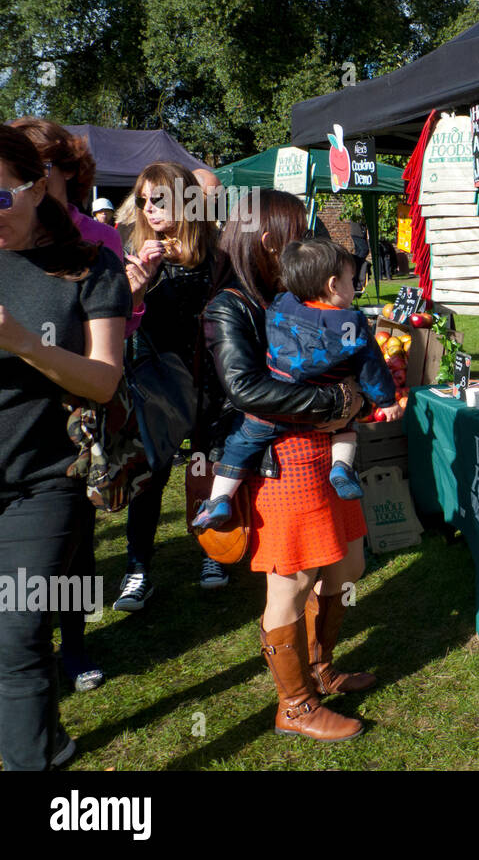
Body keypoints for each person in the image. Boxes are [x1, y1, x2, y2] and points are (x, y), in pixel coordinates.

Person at [204, 189, 374, 741]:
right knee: (292, 582)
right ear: (269, 238)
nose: (310, 241)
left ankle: (321, 667)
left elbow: (352, 360)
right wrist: (339, 403)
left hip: (325, 453)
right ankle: (294, 705)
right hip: (280, 461)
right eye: (299, 230)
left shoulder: (294, 295)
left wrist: (357, 392)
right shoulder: (230, 305)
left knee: (346, 567)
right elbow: (246, 390)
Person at [0, 126, 130, 768]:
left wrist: (24, 343)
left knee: (17, 633)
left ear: (34, 187)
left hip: (45, 478)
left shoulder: (91, 265)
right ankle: (45, 740)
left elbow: (105, 381)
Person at [193, 238, 399, 529]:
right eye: (352, 281)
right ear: (332, 285)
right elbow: (371, 367)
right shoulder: (352, 323)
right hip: (328, 408)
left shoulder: (281, 304)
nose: (356, 288)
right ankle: (341, 469)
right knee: (346, 431)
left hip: (275, 404)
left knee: (239, 445)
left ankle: (219, 499)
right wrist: (386, 400)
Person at [115, 162, 226, 609]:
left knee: (205, 469)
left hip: (210, 383)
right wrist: (136, 291)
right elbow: (115, 328)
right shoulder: (134, 254)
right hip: (158, 386)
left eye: (158, 199)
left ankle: (212, 551)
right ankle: (138, 568)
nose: (149, 209)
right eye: (143, 201)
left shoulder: (218, 257)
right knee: (150, 478)